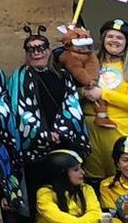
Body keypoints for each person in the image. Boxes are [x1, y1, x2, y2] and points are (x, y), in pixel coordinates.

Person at [8, 30, 87, 211]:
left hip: (63, 144)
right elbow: (19, 110)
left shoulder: (63, 75)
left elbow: (72, 105)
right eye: (31, 50)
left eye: (41, 48)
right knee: (38, 194)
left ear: (49, 50)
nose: (37, 53)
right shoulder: (18, 78)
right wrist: (43, 133)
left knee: (64, 192)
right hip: (34, 150)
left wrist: (61, 131)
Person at [79, 18, 128, 183]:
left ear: (127, 42)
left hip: (118, 128)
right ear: (103, 39)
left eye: (119, 37)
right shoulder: (88, 63)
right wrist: (82, 92)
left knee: (117, 177)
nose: (114, 40)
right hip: (89, 127)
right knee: (91, 177)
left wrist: (103, 93)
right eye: (110, 36)